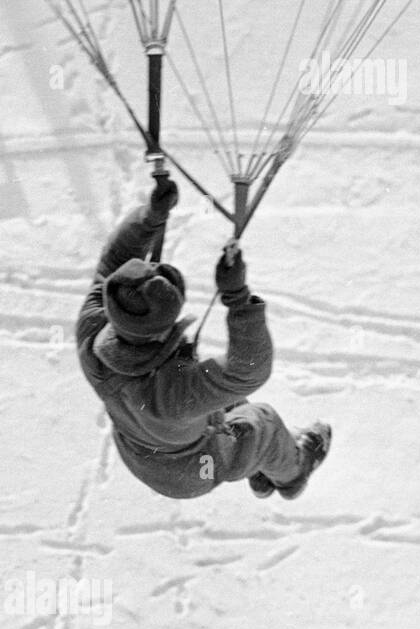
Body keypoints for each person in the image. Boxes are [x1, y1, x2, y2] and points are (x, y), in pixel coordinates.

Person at [75, 175, 331, 501]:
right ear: (163, 329)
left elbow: (112, 262)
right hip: (197, 471)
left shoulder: (93, 333)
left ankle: (262, 467)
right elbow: (248, 371)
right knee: (260, 423)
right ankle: (293, 474)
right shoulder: (172, 394)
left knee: (222, 398)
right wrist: (237, 299)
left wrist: (150, 219)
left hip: (140, 453)